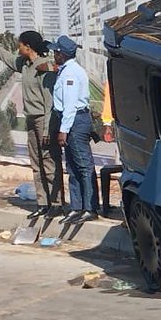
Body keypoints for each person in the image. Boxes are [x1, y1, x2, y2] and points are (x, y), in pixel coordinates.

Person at [0, 30, 62, 217]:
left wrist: (48, 129)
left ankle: (56, 203)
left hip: (44, 118)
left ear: (28, 46)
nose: (18, 47)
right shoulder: (24, 65)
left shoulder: (43, 66)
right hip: (31, 118)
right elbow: (6, 57)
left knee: (49, 161)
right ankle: (43, 203)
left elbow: (49, 100)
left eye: (20, 44)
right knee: (36, 162)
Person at [50, 36, 98, 223]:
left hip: (75, 121)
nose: (54, 54)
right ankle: (76, 207)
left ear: (62, 54)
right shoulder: (66, 71)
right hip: (72, 120)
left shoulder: (70, 73)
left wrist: (64, 129)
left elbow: (70, 104)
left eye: (56, 52)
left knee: (83, 165)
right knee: (72, 166)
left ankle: (90, 208)